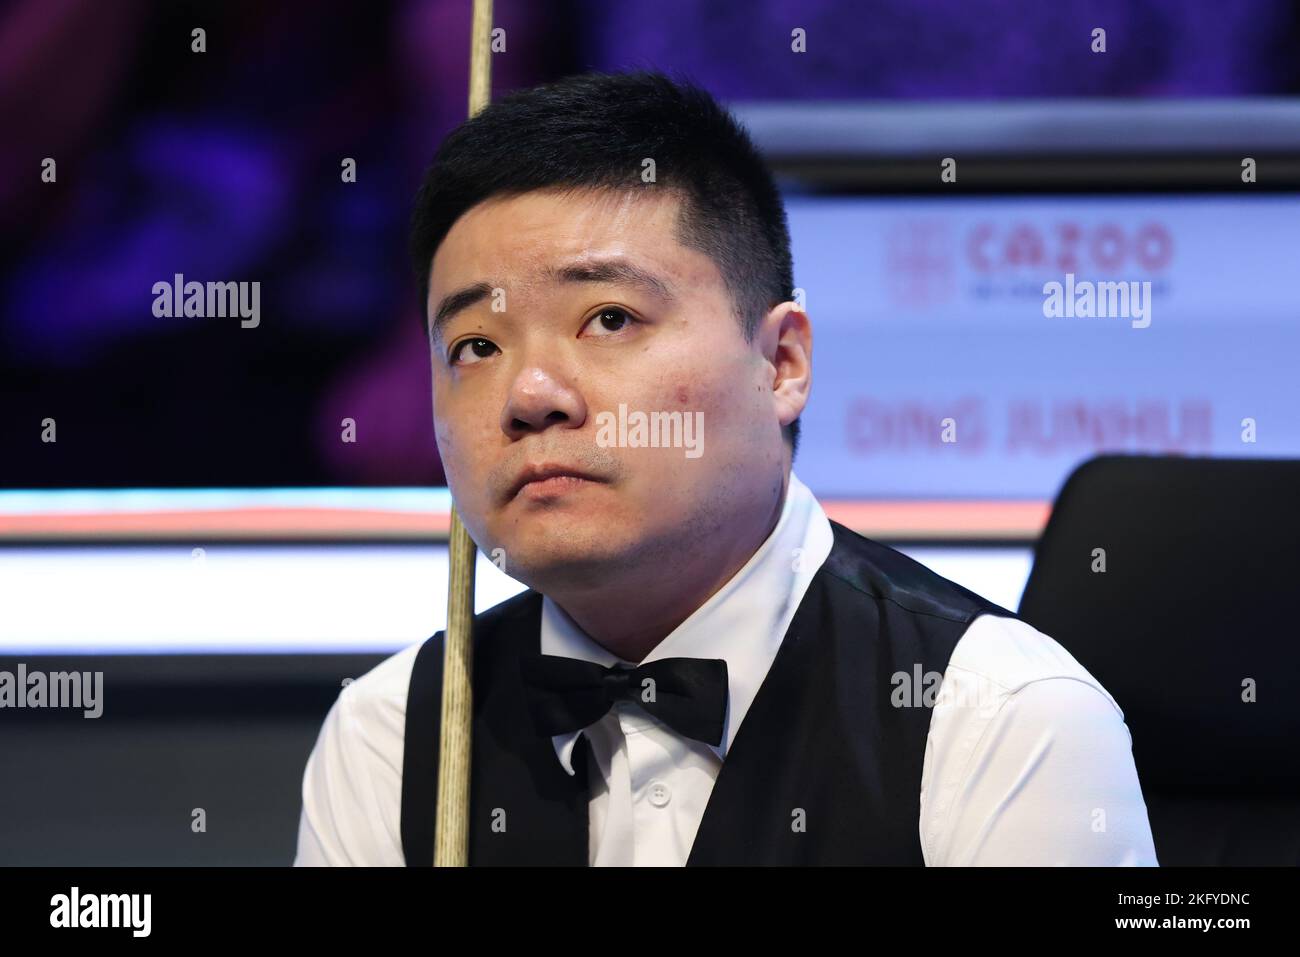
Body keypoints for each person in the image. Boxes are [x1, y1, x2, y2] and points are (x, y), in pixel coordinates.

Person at [293, 70, 1158, 866]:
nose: (532, 395)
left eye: (608, 318)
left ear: (780, 364)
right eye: (475, 344)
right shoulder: (394, 732)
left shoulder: (1000, 715)